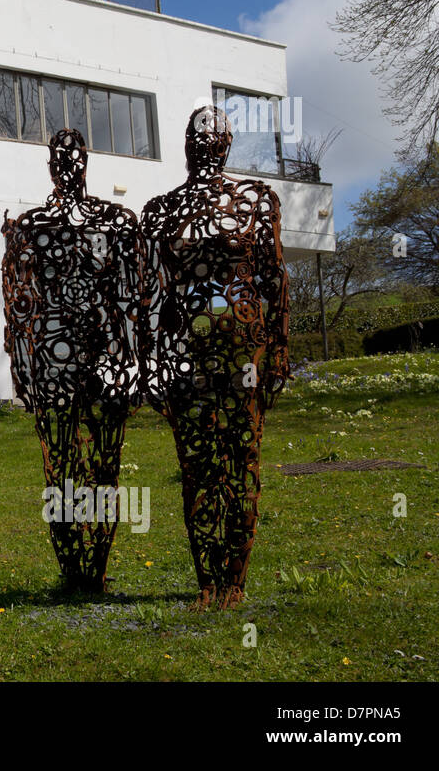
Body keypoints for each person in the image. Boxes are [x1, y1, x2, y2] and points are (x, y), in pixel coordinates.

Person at [139, 106, 290, 609]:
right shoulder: (161, 210)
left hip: (243, 349)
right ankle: (209, 580)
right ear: (185, 143)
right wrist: (149, 363)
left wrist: (279, 349)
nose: (204, 146)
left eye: (213, 136)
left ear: (226, 143)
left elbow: (274, 280)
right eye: (196, 137)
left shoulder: (255, 201)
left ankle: (236, 581)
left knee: (242, 457)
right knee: (199, 464)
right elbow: (149, 297)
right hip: (187, 355)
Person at [1, 128, 146, 591]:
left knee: (103, 466)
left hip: (101, 364)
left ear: (85, 163)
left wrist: (128, 363)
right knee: (61, 466)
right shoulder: (30, 228)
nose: (67, 166)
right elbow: (19, 305)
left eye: (73, 158)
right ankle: (72, 569)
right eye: (60, 159)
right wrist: (25, 374)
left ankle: (95, 568)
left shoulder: (116, 221)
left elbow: (132, 297)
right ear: (50, 166)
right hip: (53, 367)